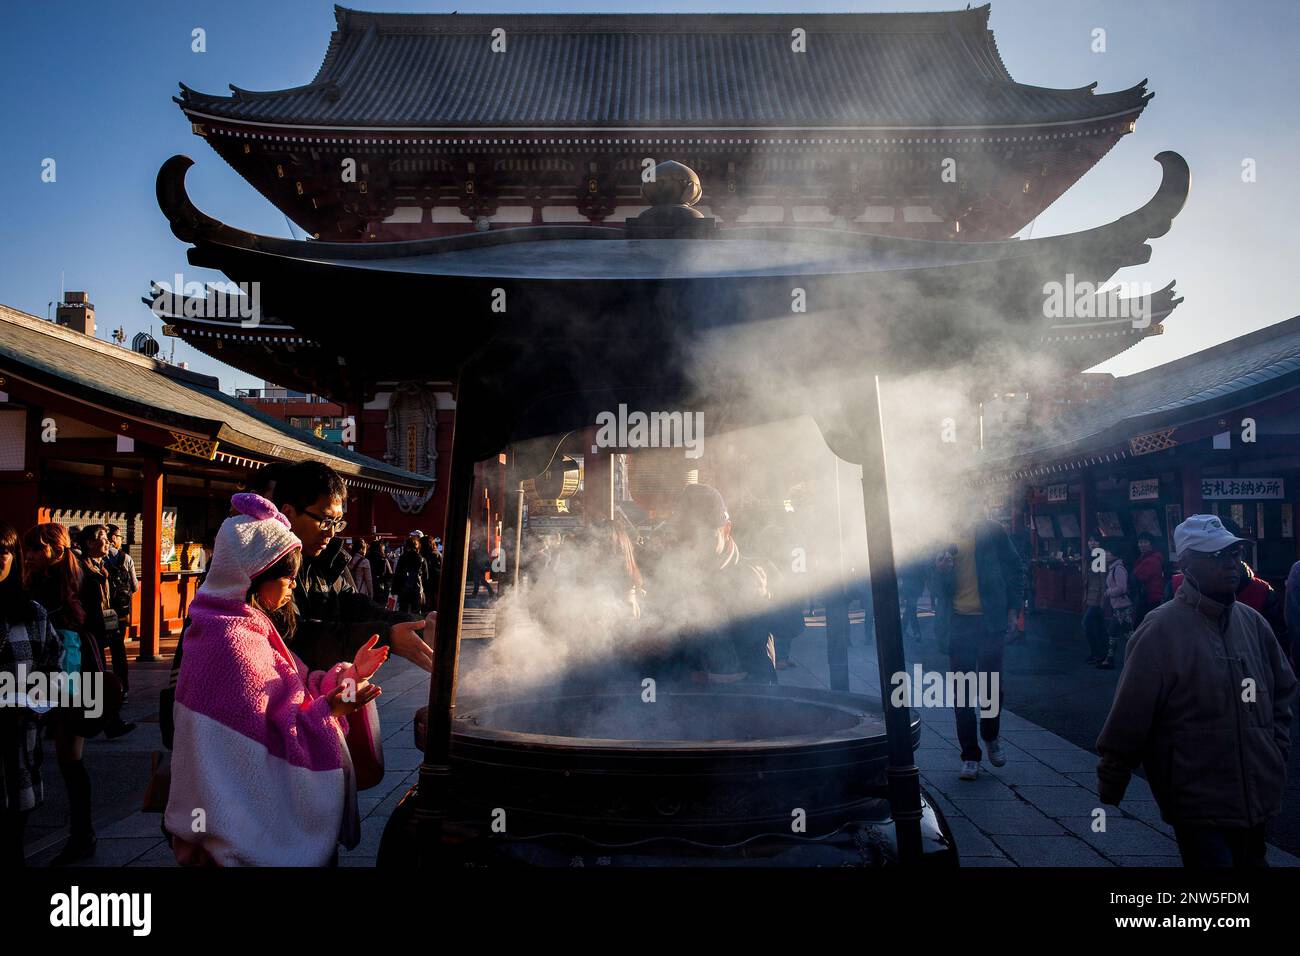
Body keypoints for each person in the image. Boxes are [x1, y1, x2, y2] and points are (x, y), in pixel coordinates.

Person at [166, 494, 388, 866]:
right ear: (254, 573)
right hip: (241, 826)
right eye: (286, 576)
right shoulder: (231, 640)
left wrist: (350, 676)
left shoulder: (240, 623)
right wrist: (333, 707)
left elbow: (297, 687)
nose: (291, 586)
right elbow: (264, 735)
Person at [1097, 514, 1297, 867]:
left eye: (1234, 554)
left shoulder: (1253, 623)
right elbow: (1132, 711)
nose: (1231, 564)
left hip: (1256, 791)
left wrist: (1275, 750)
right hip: (1196, 796)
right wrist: (1113, 776)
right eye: (1216, 556)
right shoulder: (1161, 629)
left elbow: (1283, 690)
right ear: (1186, 563)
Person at [271, 461, 433, 673]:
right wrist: (387, 637)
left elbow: (355, 606)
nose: (331, 533)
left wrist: (418, 625)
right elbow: (296, 636)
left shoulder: (323, 559)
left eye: (337, 523)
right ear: (288, 512)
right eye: (325, 521)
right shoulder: (266, 566)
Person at [640, 484, 777, 685]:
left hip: (745, 700)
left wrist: (765, 600)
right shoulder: (669, 576)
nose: (694, 545)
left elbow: (788, 629)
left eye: (705, 534)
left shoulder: (752, 575)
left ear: (727, 529)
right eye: (685, 535)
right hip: (683, 701)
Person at [21, 523, 96, 864]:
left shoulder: (79, 579)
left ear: (53, 548)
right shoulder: (34, 581)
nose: (30, 556)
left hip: (76, 675)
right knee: (43, 753)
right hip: (57, 674)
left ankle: (82, 834)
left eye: (36, 548)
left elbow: (97, 629)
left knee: (69, 759)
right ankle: (81, 835)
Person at [933, 508, 1024, 780]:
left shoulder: (992, 531)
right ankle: (970, 755)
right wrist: (941, 572)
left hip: (989, 621)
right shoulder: (940, 537)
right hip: (958, 623)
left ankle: (991, 735)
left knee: (991, 686)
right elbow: (935, 588)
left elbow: (1015, 569)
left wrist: (1013, 609)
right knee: (962, 692)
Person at [0, 521, 62, 866]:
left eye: (4, 550)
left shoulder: (32, 614)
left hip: (17, 736)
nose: (0, 557)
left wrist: (36, 703)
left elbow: (52, 665)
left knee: (13, 841)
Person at [75, 525, 135, 738]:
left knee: (93, 675)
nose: (108, 541)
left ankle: (101, 721)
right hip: (88, 629)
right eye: (102, 537)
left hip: (102, 626)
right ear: (89, 542)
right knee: (95, 675)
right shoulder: (81, 567)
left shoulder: (100, 565)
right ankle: (108, 722)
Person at [1098, 544, 1133, 671]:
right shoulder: (1114, 568)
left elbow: (1122, 588)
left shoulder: (1118, 569)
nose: (1105, 554)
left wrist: (1108, 592)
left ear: (1114, 553)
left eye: (1107, 551)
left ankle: (1129, 661)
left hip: (1123, 608)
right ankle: (1111, 659)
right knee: (1116, 634)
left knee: (1128, 636)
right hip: (1118, 608)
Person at [104, 524, 138, 640]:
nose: (121, 540)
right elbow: (135, 586)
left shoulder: (98, 557)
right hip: (121, 606)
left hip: (104, 607)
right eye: (120, 537)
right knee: (118, 642)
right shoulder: (127, 558)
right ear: (113, 537)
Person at [1081, 533, 1108, 664]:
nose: (1092, 543)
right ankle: (1100, 653)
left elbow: (1102, 579)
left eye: (1095, 541)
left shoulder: (1099, 557)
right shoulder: (1089, 557)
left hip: (1097, 598)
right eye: (1090, 540)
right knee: (1099, 626)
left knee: (1086, 623)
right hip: (1090, 596)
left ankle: (1097, 652)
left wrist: (1103, 599)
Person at [1131, 532, 1165, 627]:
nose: (1142, 545)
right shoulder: (1143, 558)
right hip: (1145, 598)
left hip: (1151, 598)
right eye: (1140, 542)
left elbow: (1138, 576)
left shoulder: (1153, 560)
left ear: (1151, 544)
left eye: (1145, 542)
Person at [393, 533, 428, 615]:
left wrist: (394, 589)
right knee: (416, 613)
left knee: (403, 612)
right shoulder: (421, 559)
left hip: (403, 588)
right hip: (417, 589)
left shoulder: (402, 558)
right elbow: (426, 577)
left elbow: (397, 574)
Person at [418, 533, 442, 612]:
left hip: (425, 582)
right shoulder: (438, 554)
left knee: (426, 602)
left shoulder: (421, 555)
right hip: (437, 581)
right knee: (435, 603)